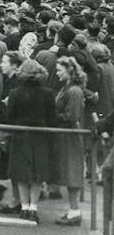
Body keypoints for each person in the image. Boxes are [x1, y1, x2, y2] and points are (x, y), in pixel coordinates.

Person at [5, 58, 55, 222]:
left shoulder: (14, 93)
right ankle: (33, 208)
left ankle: (24, 207)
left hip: (20, 135)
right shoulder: (48, 93)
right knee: (37, 173)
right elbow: (51, 118)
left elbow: (10, 118)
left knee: (21, 173)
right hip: (40, 136)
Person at [53, 56, 86, 226]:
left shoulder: (73, 91)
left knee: (72, 173)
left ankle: (75, 212)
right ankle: (73, 210)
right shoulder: (68, 88)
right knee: (70, 172)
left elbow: (71, 116)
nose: (57, 73)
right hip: (67, 135)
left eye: (59, 70)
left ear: (69, 70)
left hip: (70, 136)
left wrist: (53, 115)